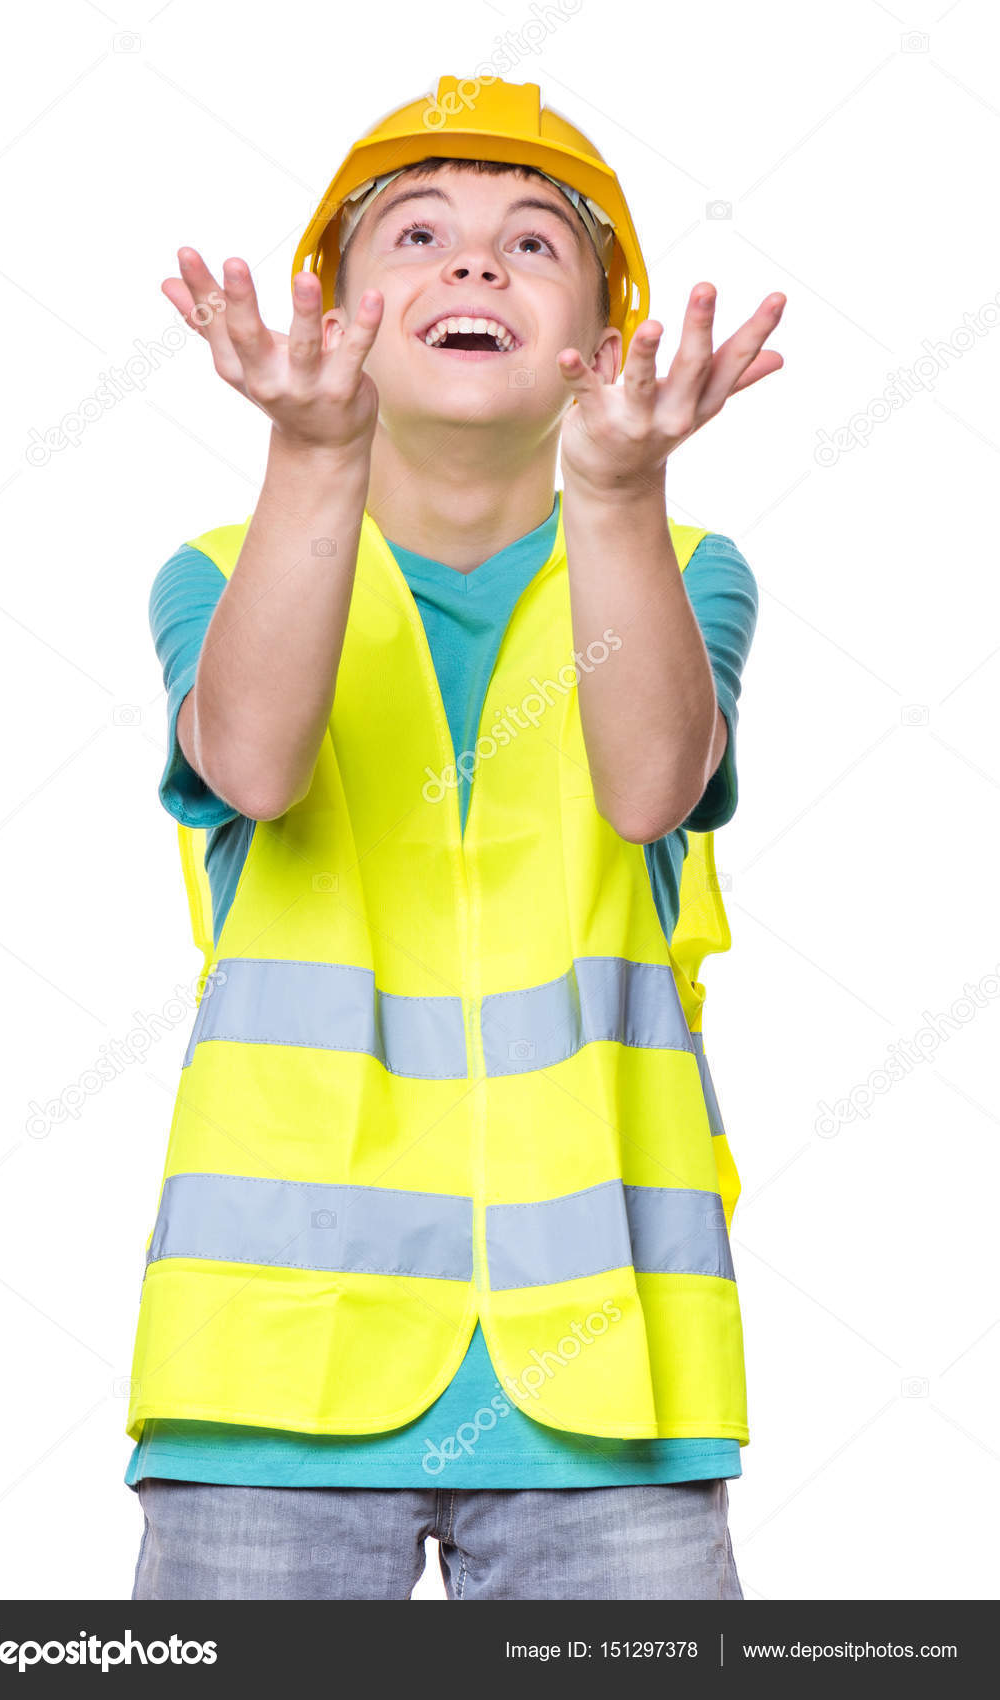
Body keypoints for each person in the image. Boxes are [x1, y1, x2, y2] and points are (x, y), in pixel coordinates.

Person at [125, 74, 784, 1602]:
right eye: (418, 233)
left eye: (531, 243)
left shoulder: (690, 571)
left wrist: (618, 491)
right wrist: (311, 457)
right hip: (271, 1382)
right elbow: (257, 763)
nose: (475, 264)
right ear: (334, 312)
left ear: (597, 343)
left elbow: (647, 791)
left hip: (607, 1383)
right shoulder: (219, 572)